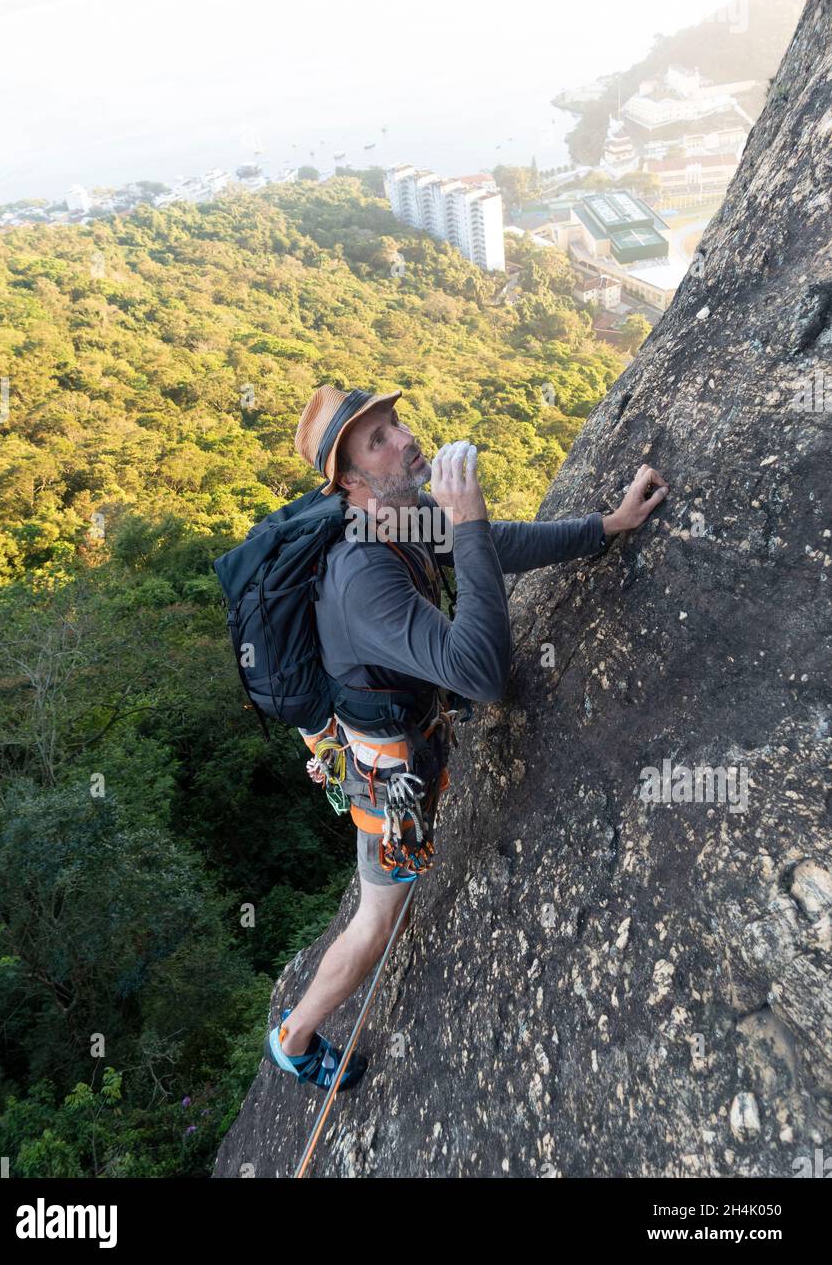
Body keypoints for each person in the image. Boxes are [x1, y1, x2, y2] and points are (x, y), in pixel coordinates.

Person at [265, 383, 669, 1089]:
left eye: (395, 422)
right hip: (386, 769)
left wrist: (605, 525)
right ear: (351, 479)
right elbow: (481, 674)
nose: (406, 438)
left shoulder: (394, 516)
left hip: (406, 733)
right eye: (379, 438)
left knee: (386, 899)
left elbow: (488, 546)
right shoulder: (360, 573)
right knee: (375, 922)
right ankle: (295, 1038)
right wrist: (471, 521)